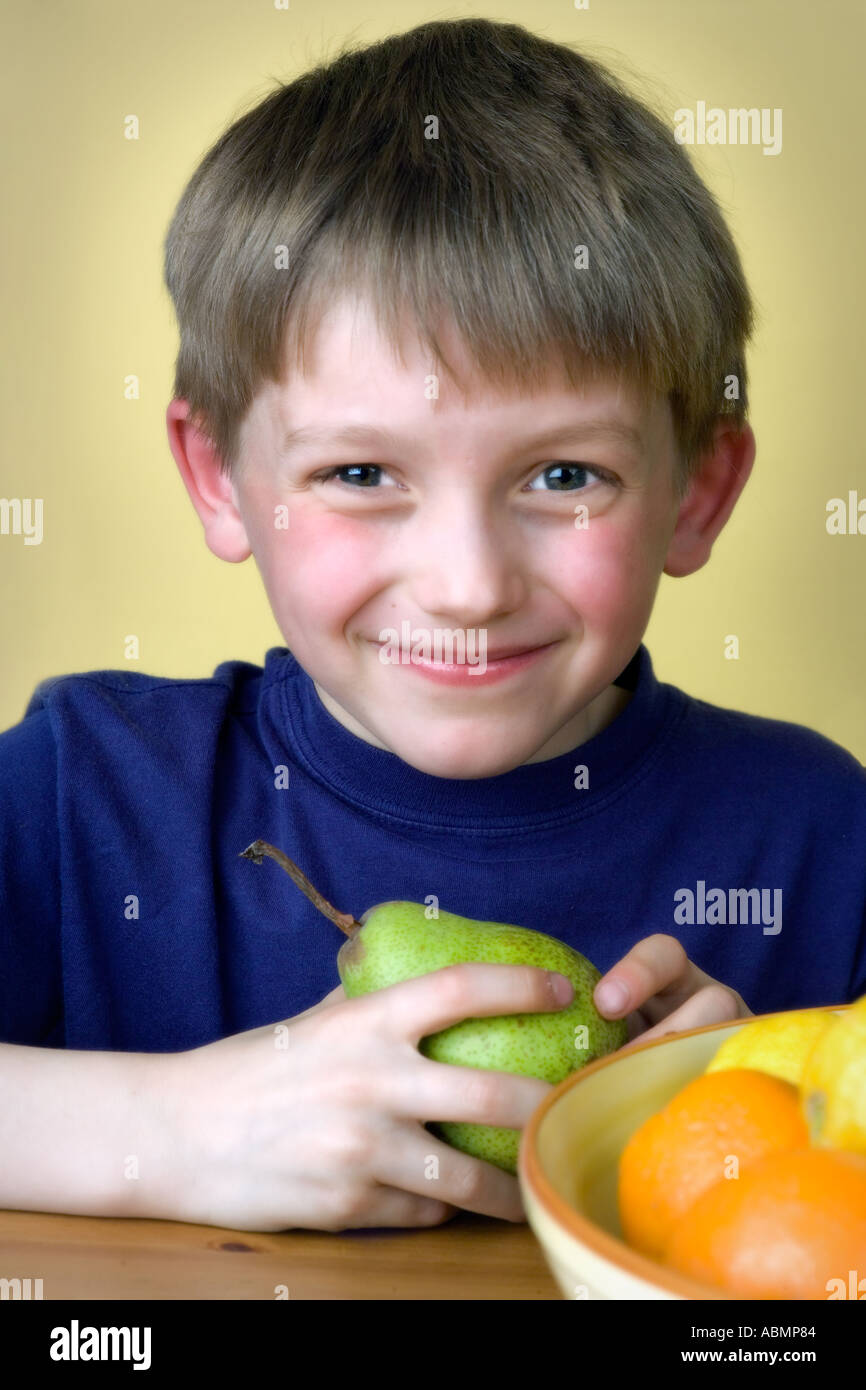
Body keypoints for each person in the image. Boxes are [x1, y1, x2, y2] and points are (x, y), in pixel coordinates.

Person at [1, 18, 863, 1235]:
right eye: (360, 473)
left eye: (564, 476)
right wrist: (170, 1132)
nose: (465, 585)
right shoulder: (82, 794)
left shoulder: (819, 840)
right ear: (217, 478)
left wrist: (793, 1112)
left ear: (697, 491)